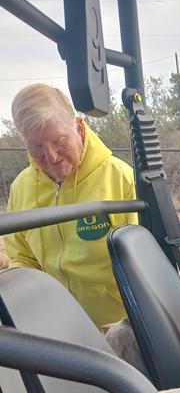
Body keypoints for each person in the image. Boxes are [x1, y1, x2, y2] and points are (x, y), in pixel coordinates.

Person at [5, 84, 138, 328]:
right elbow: (22, 257)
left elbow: (144, 266)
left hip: (119, 327)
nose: (52, 156)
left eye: (59, 141)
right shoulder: (22, 188)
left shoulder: (121, 180)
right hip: (57, 327)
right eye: (37, 147)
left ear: (78, 127)